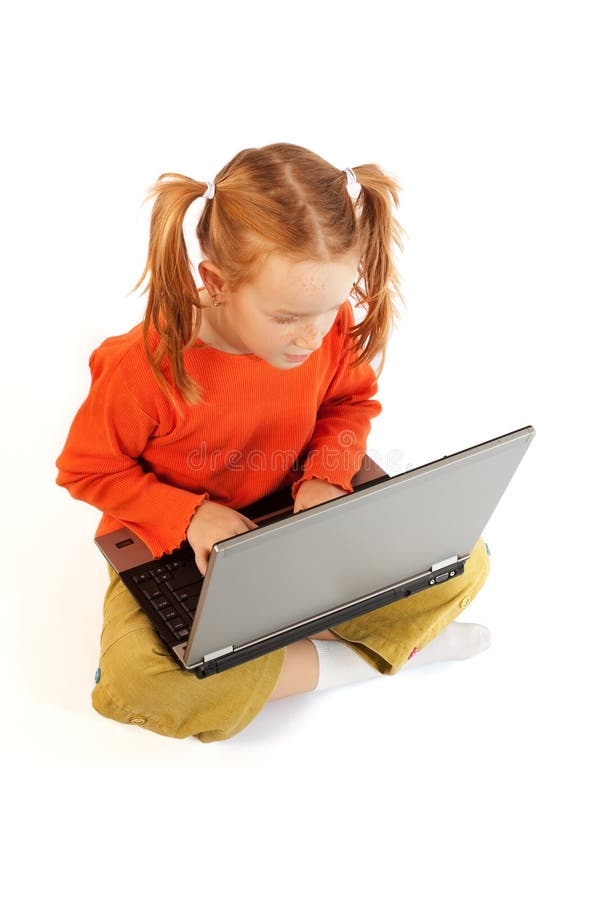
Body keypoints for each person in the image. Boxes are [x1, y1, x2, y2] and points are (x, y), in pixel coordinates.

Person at [54, 142, 492, 744]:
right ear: (215, 283)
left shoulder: (325, 323)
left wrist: (326, 477)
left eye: (331, 308)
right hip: (180, 548)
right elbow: (87, 470)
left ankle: (272, 646)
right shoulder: (144, 368)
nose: (312, 336)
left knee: (465, 558)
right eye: (287, 317)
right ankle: (361, 656)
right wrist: (191, 516)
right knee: (138, 682)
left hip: (300, 520)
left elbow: (349, 403)